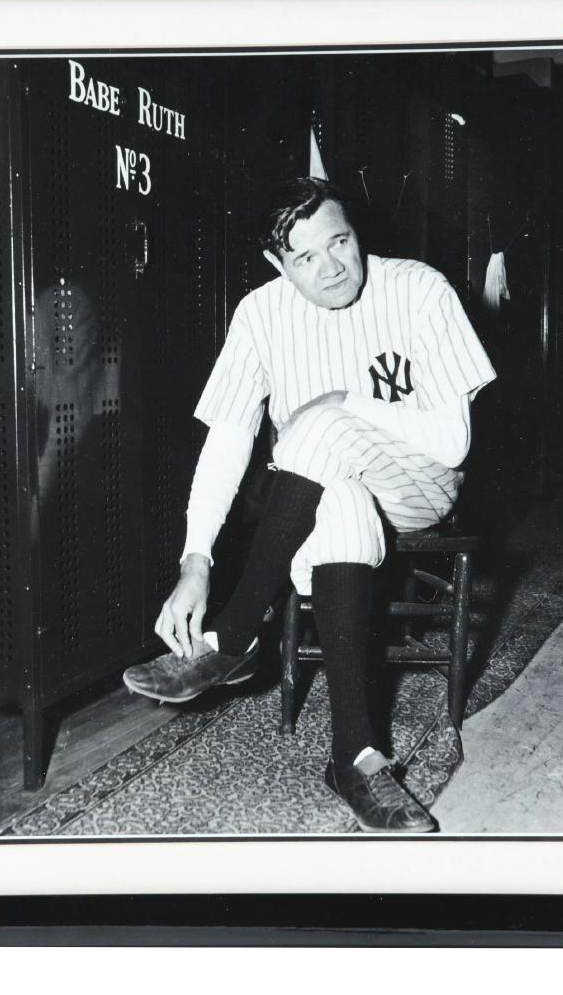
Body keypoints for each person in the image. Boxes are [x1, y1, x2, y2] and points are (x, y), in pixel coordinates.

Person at [123, 177, 496, 832]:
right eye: (305, 258)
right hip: (317, 497)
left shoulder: (419, 289)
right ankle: (355, 756)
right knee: (341, 502)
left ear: (354, 230)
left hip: (420, 484)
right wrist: (195, 560)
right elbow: (227, 440)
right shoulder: (259, 314)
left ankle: (234, 633)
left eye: (340, 242)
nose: (332, 267)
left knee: (318, 423)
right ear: (277, 264)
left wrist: (346, 403)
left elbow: (453, 441)